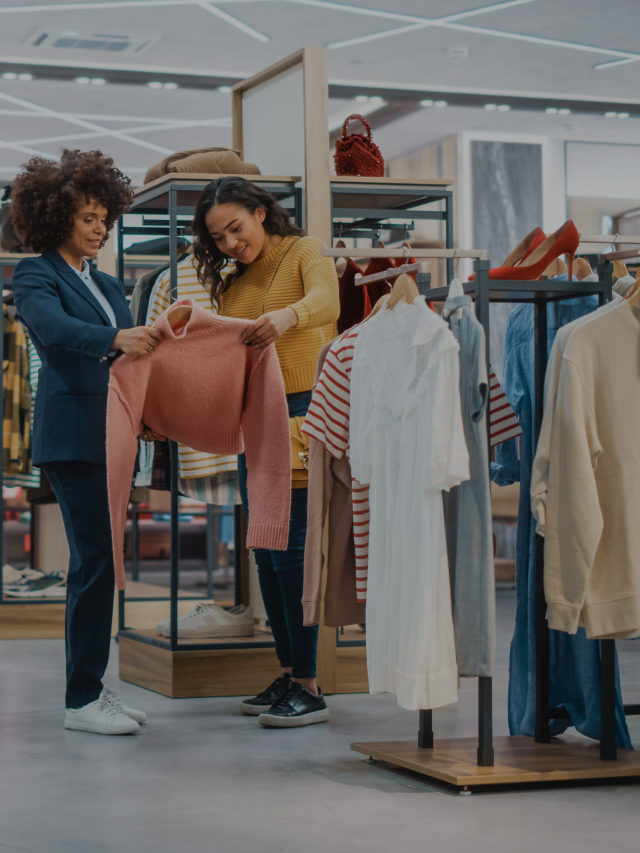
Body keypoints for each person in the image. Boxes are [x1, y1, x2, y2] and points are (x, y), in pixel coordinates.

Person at [11, 149, 162, 735]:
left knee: (105, 561)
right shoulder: (35, 273)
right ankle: (81, 700)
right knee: (95, 560)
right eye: (88, 218)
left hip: (115, 433)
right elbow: (53, 330)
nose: (100, 229)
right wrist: (118, 336)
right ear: (56, 218)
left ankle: (95, 688)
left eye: (104, 218)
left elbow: (127, 362)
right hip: (73, 437)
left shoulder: (102, 280)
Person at [193, 177, 339, 727]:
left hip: (301, 412)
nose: (231, 242)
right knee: (265, 550)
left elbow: (326, 304)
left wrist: (287, 317)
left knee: (294, 550)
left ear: (260, 213)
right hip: (255, 417)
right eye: (219, 237)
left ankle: (309, 683)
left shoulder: (304, 251)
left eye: (236, 227)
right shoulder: (232, 282)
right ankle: (289, 669)